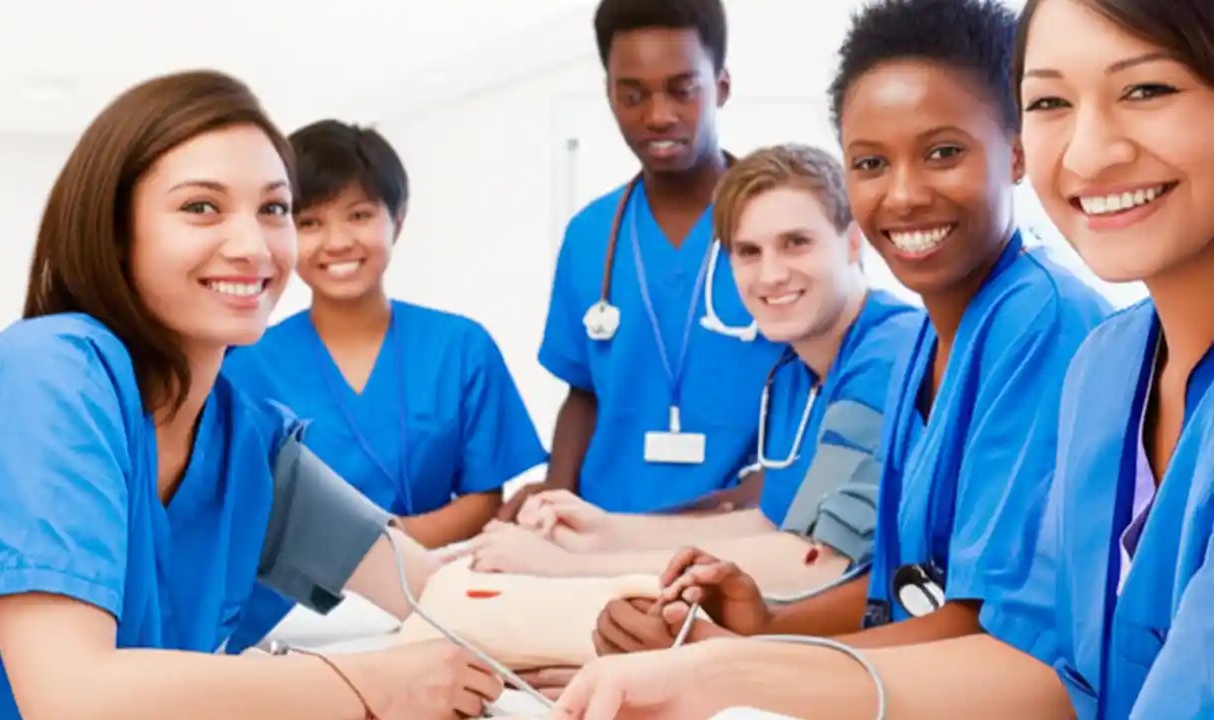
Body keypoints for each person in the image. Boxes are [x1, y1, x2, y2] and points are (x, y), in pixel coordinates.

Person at [553, 0, 1214, 716]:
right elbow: (1041, 659)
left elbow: (999, 638)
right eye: (1052, 101)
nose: (1089, 151)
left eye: (1147, 90)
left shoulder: (1043, 323)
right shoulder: (1093, 367)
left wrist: (735, 660)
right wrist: (739, 650)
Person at [0, 71, 503, 720]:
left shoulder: (246, 441)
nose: (252, 245)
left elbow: (429, 588)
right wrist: (370, 684)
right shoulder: (47, 375)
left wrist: (621, 607)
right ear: (114, 231)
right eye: (201, 207)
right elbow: (72, 696)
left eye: (274, 209)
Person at [466, 144, 922, 600]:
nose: (771, 275)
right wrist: (604, 529)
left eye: (796, 243)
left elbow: (816, 563)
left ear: (854, 242)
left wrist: (569, 567)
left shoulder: (889, 354)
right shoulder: (794, 372)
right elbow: (770, 521)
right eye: (748, 252)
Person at [221, 120, 548, 653]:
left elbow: (484, 497)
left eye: (359, 215)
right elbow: (241, 513)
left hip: (432, 600)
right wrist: (363, 557)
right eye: (310, 222)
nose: (338, 241)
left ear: (397, 219)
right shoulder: (245, 365)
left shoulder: (460, 346)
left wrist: (382, 557)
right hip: (287, 620)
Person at [498, 0, 783, 519]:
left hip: (741, 523)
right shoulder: (590, 236)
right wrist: (555, 494)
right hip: (605, 526)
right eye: (632, 95)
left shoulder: (780, 225)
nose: (658, 115)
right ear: (609, 96)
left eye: (682, 89)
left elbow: (824, 377)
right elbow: (583, 391)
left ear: (720, 86)